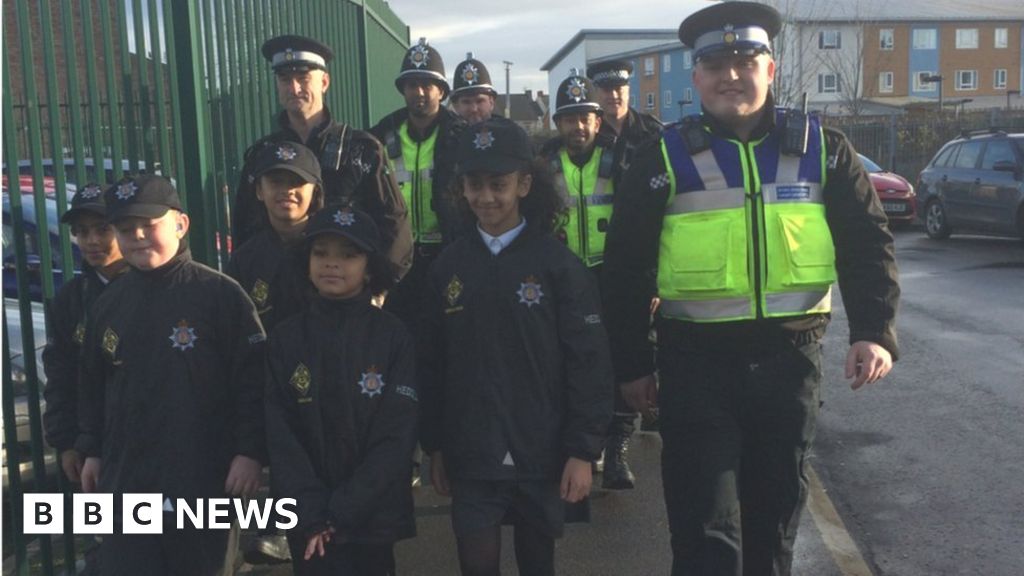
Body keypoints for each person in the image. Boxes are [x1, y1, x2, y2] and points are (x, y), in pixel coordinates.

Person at [602, 3, 900, 575]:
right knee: (703, 528)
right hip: (695, 369)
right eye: (714, 62)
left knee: (775, 527)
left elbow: (866, 242)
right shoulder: (662, 156)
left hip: (790, 365)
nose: (730, 74)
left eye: (745, 59)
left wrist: (874, 331)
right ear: (696, 76)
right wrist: (633, 364)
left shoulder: (822, 147)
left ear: (772, 67)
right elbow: (626, 267)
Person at [418, 117, 613, 576]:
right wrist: (435, 445)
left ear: (525, 184)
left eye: (499, 184)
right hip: (471, 449)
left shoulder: (559, 266)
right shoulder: (448, 268)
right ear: (460, 189)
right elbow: (430, 362)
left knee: (536, 563)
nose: (486, 197)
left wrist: (583, 450)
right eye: (474, 184)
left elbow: (589, 362)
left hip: (540, 452)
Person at [77, 175, 266, 575]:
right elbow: (93, 385)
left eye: (150, 224)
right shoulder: (108, 304)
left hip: (204, 476)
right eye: (126, 229)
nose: (139, 236)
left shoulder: (221, 295)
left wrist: (250, 452)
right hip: (129, 477)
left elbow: (254, 383)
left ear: (180, 225)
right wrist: (91, 448)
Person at [265, 206, 418, 576]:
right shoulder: (286, 338)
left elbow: (396, 435)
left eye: (348, 255)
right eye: (321, 253)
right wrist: (312, 510)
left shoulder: (392, 336)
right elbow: (280, 433)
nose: (332, 264)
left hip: (373, 515)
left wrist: (344, 509)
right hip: (308, 517)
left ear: (370, 267)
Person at [233, 34, 411, 281]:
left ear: (324, 82)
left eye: (303, 78)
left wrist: (378, 287)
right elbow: (245, 225)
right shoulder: (263, 154)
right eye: (285, 79)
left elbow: (393, 221)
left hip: (346, 291)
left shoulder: (362, 149)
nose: (294, 88)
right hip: (280, 291)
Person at [539, 69, 635, 490]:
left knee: (617, 363)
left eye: (584, 117)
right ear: (556, 123)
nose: (577, 127)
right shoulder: (542, 166)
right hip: (561, 280)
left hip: (611, 277)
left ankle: (616, 448)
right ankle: (580, 447)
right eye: (568, 118)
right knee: (566, 364)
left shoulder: (623, 159)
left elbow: (641, 223)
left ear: (598, 120)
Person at [369, 37, 465, 330]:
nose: (419, 92)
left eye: (427, 85)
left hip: (447, 255)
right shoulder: (380, 136)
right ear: (403, 90)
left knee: (449, 332)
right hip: (397, 261)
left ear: (442, 90)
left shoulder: (461, 136)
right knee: (398, 333)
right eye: (412, 85)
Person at [43, 184, 128, 484]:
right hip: (92, 444)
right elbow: (60, 376)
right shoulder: (69, 299)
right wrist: (66, 443)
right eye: (81, 232)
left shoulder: (151, 288)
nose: (92, 241)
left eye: (102, 229)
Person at [227, 141, 322, 332]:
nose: (287, 191)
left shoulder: (329, 250)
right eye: (276, 181)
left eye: (297, 182)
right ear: (259, 191)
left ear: (315, 192)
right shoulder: (246, 259)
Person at [450, 52, 498, 124]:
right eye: (466, 102)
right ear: (456, 106)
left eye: (479, 101)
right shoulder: (445, 134)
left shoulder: (510, 133)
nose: (474, 109)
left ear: (491, 102)